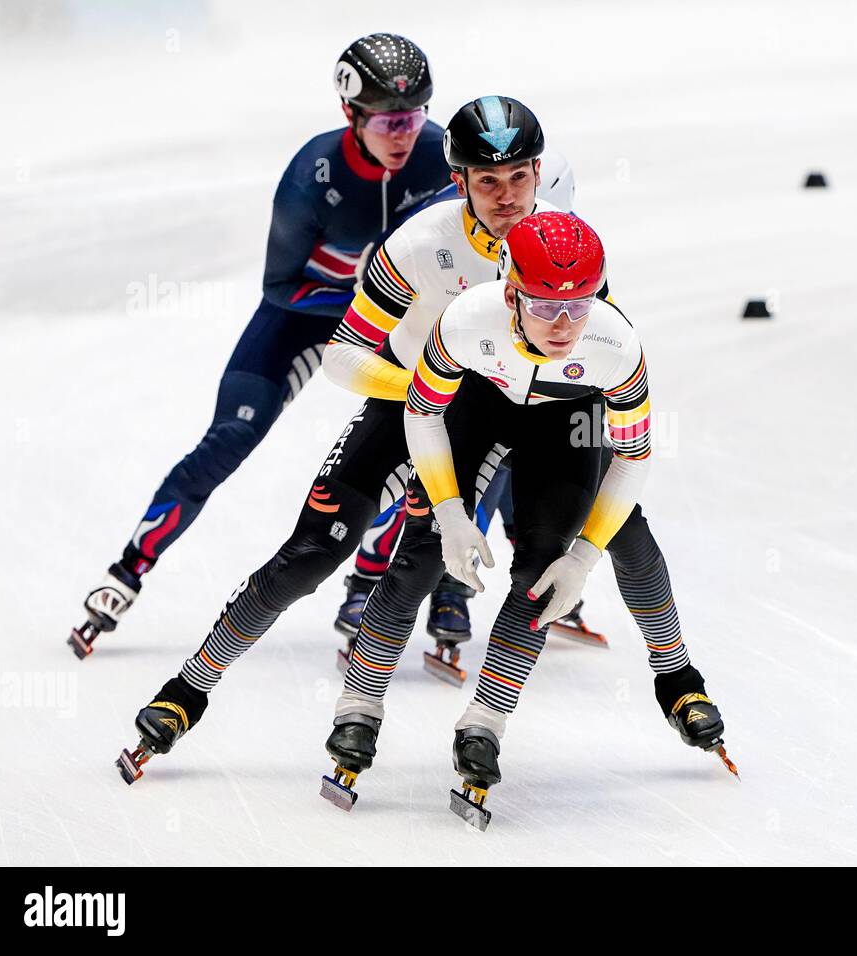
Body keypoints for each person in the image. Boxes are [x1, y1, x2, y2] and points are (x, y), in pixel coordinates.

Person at [321, 213, 736, 828]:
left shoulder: (615, 344)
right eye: (546, 306)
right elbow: (423, 414)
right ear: (512, 292)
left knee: (551, 568)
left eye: (580, 306)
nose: (565, 325)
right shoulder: (466, 320)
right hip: (484, 403)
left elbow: (633, 458)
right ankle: (359, 705)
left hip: (568, 424)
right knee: (422, 554)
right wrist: (453, 512)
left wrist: (583, 557)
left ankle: (491, 719)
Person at [71, 33, 451, 659]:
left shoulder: (439, 153)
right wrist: (366, 293)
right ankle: (128, 570)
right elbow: (279, 286)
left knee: (435, 420)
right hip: (309, 314)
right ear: (350, 114)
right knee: (230, 438)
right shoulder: (312, 177)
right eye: (388, 120)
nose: (403, 133)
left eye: (413, 117)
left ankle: (379, 580)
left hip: (395, 320)